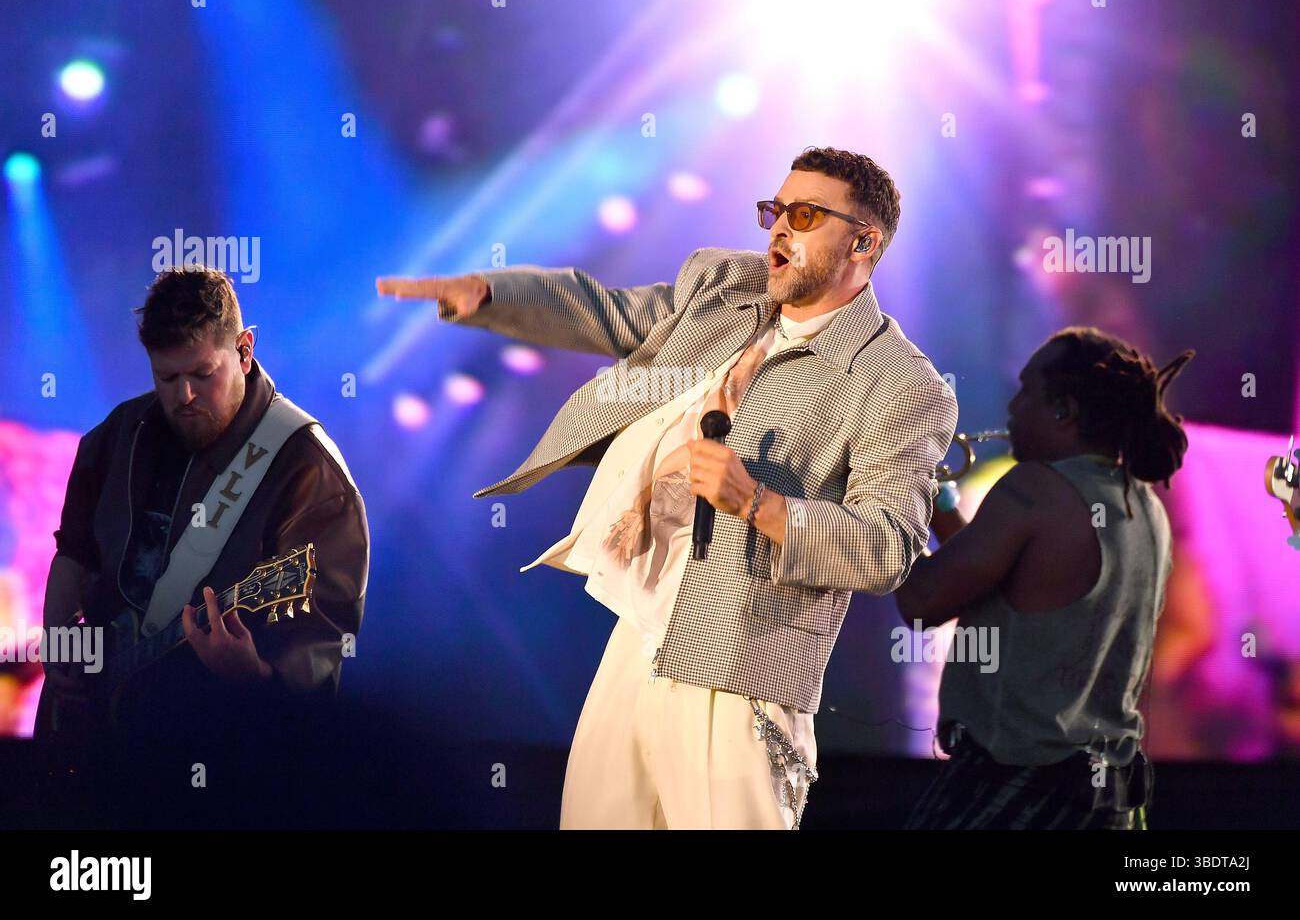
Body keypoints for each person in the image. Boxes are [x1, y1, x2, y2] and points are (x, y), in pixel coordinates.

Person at [378, 146, 958, 829]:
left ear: (864, 241)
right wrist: (492, 295)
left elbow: (886, 549)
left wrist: (760, 505)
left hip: (741, 662)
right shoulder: (726, 291)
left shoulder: (899, 384)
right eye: (774, 211)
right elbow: (603, 312)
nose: (778, 230)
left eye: (804, 215)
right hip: (642, 630)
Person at [35, 265, 369, 823]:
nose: (184, 396)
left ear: (243, 350)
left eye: (201, 374)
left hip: (216, 775)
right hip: (89, 754)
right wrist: (57, 639)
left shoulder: (307, 471)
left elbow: (320, 657)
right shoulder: (119, 433)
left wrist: (252, 677)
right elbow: (74, 551)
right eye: (166, 378)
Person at [895, 326, 1194, 829]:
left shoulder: (1032, 488)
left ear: (1064, 411)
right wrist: (941, 507)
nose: (1012, 408)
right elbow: (1011, 574)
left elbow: (921, 602)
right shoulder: (1144, 505)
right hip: (1108, 803)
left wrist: (891, 502)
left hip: (1016, 794)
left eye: (1027, 390)